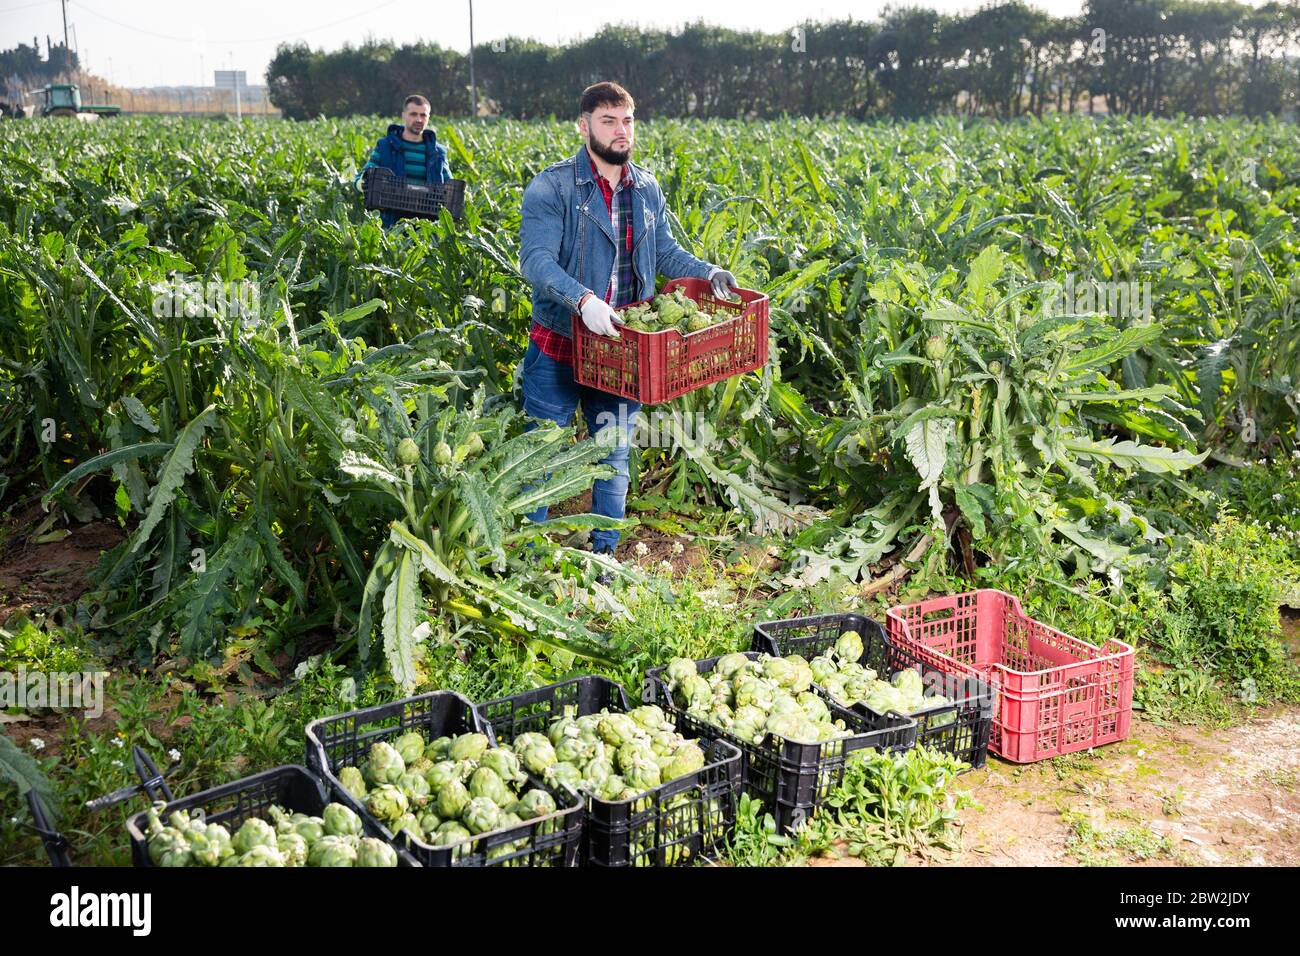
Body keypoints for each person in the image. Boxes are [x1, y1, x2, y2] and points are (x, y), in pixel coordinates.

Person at [518, 81, 739, 564]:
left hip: (622, 350)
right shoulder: (551, 187)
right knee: (537, 459)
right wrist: (582, 300)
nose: (621, 131)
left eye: (628, 121)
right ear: (583, 127)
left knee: (613, 457)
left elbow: (664, 252)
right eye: (608, 121)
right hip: (560, 343)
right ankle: (525, 567)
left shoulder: (646, 188)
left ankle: (605, 561)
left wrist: (707, 272)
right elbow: (535, 262)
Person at [357, 93, 451, 229]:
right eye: (413, 114)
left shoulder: (438, 153)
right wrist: (363, 184)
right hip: (392, 224)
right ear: (403, 116)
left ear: (428, 117)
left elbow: (448, 184)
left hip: (427, 226)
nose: (419, 119)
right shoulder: (385, 147)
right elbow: (364, 175)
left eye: (423, 115)